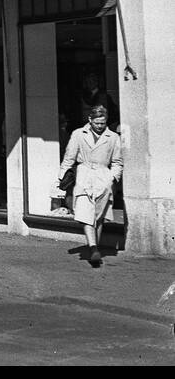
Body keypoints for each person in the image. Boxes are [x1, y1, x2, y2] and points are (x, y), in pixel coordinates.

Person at [58, 104, 123, 267]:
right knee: (86, 212)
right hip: (84, 174)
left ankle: (95, 247)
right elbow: (69, 157)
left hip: (103, 177)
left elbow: (117, 161)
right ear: (90, 120)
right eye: (97, 123)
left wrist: (113, 178)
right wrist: (62, 176)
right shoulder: (79, 134)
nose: (100, 126)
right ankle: (93, 247)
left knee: (98, 217)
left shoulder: (113, 137)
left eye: (103, 123)